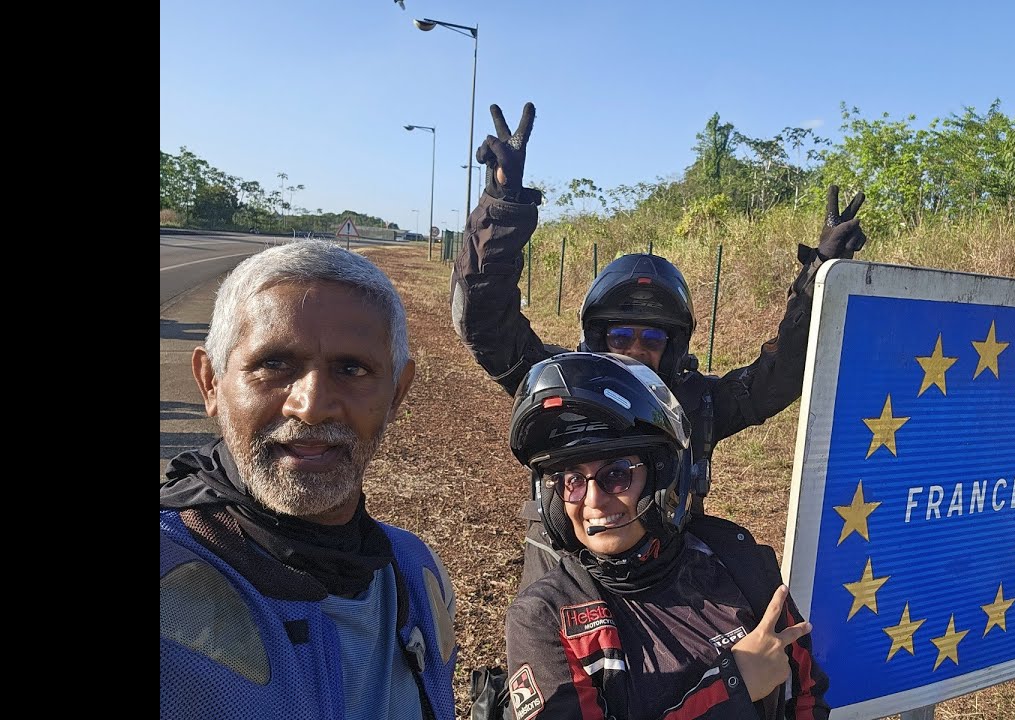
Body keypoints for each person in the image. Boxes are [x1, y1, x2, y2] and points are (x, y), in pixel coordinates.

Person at [450, 101, 872, 591]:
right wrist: (503, 206)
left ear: (672, 348)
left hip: (667, 575)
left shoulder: (698, 404)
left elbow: (780, 376)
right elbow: (482, 319)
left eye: (651, 338)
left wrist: (817, 275)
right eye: (620, 335)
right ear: (596, 336)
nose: (633, 348)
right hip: (567, 576)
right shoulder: (557, 385)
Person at [160, 239, 457, 720]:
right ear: (211, 382)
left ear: (397, 393)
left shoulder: (418, 576)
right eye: (274, 364)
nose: (312, 405)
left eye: (351, 368)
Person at [500, 351, 830, 720]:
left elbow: (807, 697)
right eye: (572, 481)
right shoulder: (544, 617)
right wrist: (732, 689)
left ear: (663, 477)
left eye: (617, 474)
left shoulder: (735, 560)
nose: (593, 500)